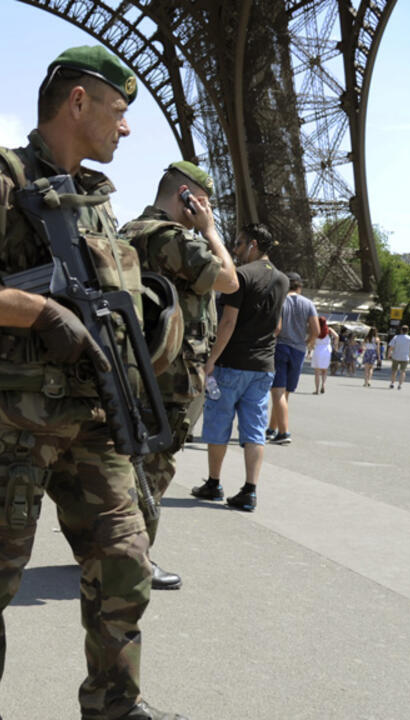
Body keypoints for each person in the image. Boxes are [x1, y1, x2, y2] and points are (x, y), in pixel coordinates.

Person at [0, 46, 186, 720]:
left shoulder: (93, 201)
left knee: (126, 563)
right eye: (120, 111)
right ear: (79, 101)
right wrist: (39, 311)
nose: (126, 127)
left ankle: (115, 705)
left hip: (98, 421)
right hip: (11, 422)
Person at [121, 160, 237, 590]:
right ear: (188, 197)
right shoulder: (175, 240)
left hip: (130, 367)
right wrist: (209, 229)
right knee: (154, 470)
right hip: (169, 376)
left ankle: (108, 552)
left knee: (124, 467)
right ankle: (135, 562)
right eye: (203, 202)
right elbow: (228, 281)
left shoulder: (127, 232)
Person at [191, 223, 289, 513]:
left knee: (219, 423)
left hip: (231, 362)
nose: (235, 249)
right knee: (254, 430)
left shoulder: (240, 277)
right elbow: (277, 326)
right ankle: (250, 489)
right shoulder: (282, 280)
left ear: (254, 244)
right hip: (263, 366)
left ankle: (214, 482)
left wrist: (211, 361)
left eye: (239, 243)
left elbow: (228, 322)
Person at [267, 271, 318, 444]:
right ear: (300, 286)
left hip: (281, 347)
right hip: (298, 350)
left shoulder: (281, 301)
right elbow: (316, 330)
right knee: (284, 392)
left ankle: (283, 432)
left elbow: (278, 327)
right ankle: (272, 428)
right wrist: (307, 342)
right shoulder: (309, 304)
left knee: (277, 391)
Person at [309, 317, 336, 394]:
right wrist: (335, 345)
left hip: (318, 350)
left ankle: (317, 390)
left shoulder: (315, 330)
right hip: (327, 350)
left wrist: (310, 349)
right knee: (324, 370)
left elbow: (312, 341)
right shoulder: (329, 330)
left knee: (317, 372)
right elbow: (336, 336)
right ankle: (323, 384)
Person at [386, 325, 410, 389]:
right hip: (405, 357)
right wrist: (409, 354)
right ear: (408, 331)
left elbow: (391, 347)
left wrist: (389, 355)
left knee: (394, 371)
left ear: (401, 330)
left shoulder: (396, 337)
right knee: (403, 371)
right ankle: (400, 385)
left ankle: (392, 383)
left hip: (396, 356)